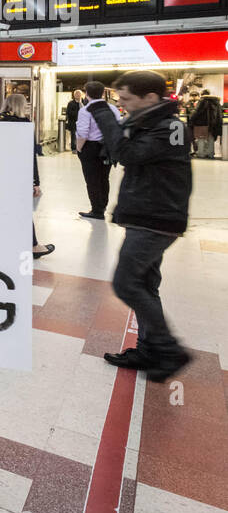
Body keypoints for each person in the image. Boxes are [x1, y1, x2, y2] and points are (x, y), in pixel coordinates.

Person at [91, 70, 192, 381]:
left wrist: (100, 110)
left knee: (125, 284)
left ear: (150, 98)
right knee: (146, 284)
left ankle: (169, 348)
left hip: (157, 219)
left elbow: (126, 153)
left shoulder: (171, 127)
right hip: (146, 215)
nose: (122, 105)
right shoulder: (148, 122)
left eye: (126, 99)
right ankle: (150, 349)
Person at [0, 93, 54, 259]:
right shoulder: (23, 124)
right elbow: (30, 156)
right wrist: (35, 182)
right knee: (23, 211)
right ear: (20, 106)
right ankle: (33, 246)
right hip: (18, 175)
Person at [75, 81, 118, 220]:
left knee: (92, 180)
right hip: (108, 147)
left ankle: (96, 210)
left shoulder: (85, 110)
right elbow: (118, 126)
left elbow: (83, 133)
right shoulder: (112, 108)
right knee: (104, 178)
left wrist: (79, 149)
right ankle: (102, 207)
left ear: (86, 94)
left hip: (90, 148)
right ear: (102, 93)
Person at [189, 89, 222, 159]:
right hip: (213, 124)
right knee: (211, 139)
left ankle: (201, 154)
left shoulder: (202, 100)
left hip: (201, 123)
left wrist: (191, 118)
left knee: (201, 139)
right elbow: (219, 114)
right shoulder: (216, 101)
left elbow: (196, 112)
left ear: (202, 94)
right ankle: (210, 154)